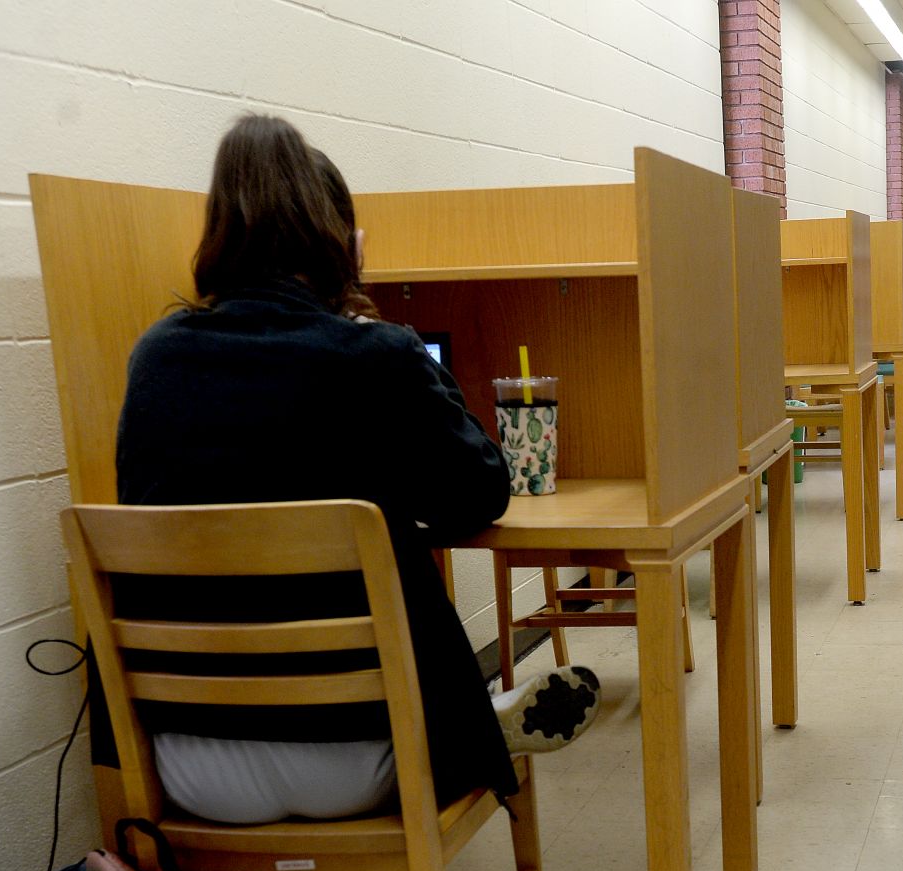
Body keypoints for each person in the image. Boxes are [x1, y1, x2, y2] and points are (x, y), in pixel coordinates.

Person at [109, 113, 598, 825]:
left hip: (184, 763)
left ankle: (482, 718)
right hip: (362, 756)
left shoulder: (154, 358)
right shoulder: (374, 357)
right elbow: (480, 493)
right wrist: (374, 329)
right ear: (339, 242)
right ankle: (477, 724)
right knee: (424, 661)